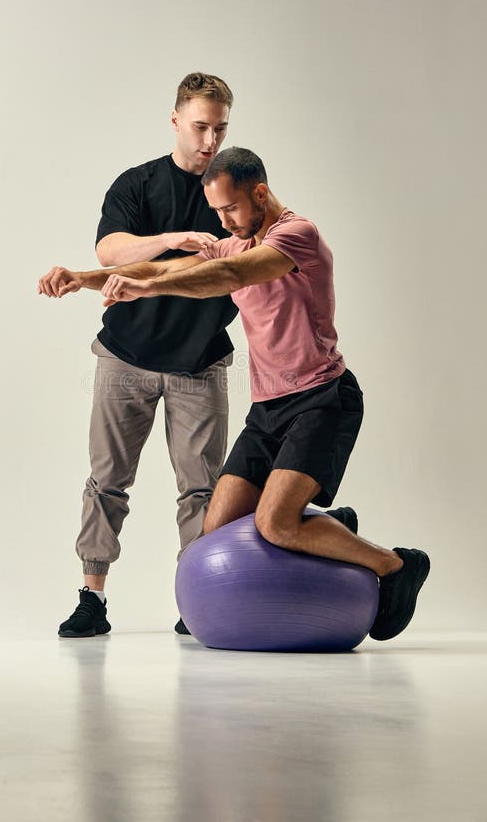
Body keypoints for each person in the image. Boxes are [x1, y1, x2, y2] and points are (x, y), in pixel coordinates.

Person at [38, 79, 357, 639]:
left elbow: (223, 273)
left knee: (206, 495)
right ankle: (92, 597)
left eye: (221, 128)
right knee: (108, 480)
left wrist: (162, 274)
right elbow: (118, 254)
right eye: (199, 126)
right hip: (127, 357)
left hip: (206, 365)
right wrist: (97, 273)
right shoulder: (146, 185)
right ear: (176, 121)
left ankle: (200, 599)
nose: (210, 139)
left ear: (255, 193)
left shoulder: (248, 210)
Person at [94, 147, 431, 641]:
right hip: (268, 409)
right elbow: (166, 269)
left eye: (230, 209)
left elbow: (228, 276)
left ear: (260, 193)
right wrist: (87, 279)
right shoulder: (236, 241)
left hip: (322, 399)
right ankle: (325, 522)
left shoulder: (297, 236)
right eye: (216, 213)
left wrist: (147, 292)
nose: (224, 221)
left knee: (275, 525)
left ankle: (395, 564)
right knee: (216, 529)